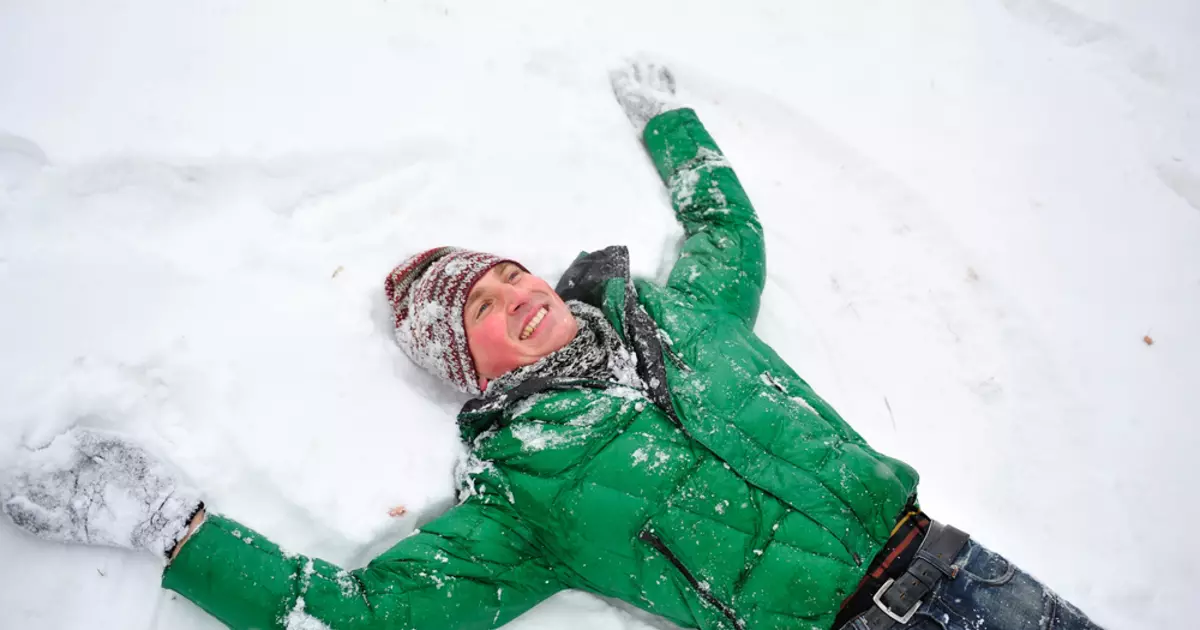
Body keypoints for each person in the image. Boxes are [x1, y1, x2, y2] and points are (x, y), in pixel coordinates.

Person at [1, 62, 1103, 630]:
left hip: (965, 567)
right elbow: (367, 618)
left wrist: (670, 123)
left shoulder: (682, 316)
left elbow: (729, 230)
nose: (517, 291)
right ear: (468, 368)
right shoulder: (524, 495)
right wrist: (173, 528)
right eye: (480, 305)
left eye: (511, 270)